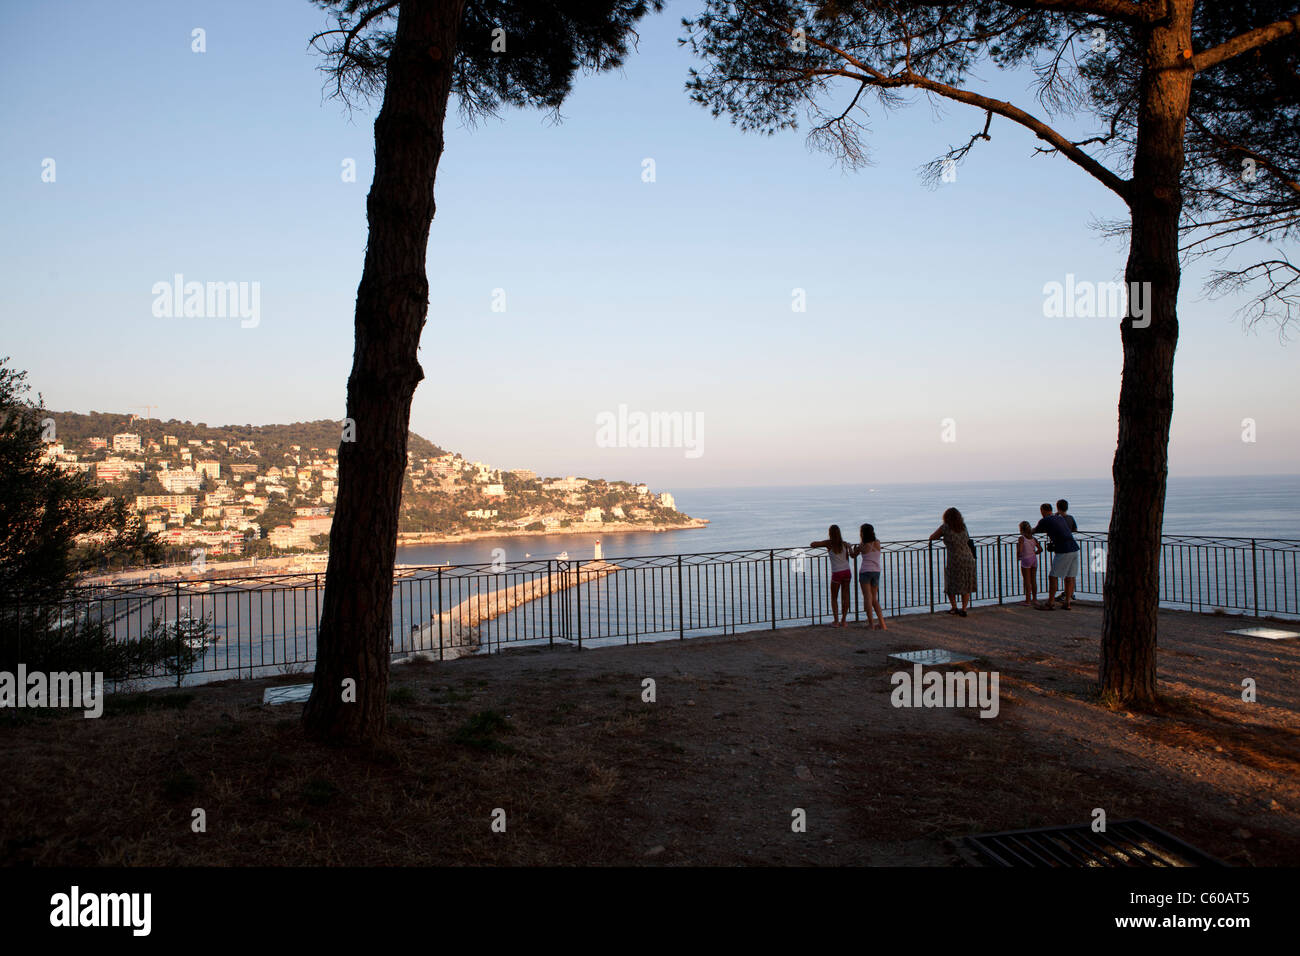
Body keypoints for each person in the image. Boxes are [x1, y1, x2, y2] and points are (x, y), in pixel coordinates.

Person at [928, 507, 975, 617]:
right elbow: (967, 538)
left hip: (955, 559)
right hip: (968, 557)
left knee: (950, 583)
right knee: (966, 583)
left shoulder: (945, 527)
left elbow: (932, 537)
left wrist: (944, 538)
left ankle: (954, 607)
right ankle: (964, 609)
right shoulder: (963, 526)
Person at [1033, 498, 1079, 610]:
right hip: (1074, 548)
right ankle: (1067, 603)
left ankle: (1050, 603)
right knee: (1070, 577)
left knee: (1053, 576)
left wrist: (1025, 531)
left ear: (1042, 510)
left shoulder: (1045, 520)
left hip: (1063, 550)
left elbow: (1035, 530)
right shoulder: (1059, 518)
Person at [810, 524, 853, 627]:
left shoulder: (829, 543)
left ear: (830, 533)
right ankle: (844, 621)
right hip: (847, 571)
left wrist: (824, 542)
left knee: (834, 597)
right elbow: (847, 558)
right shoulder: (844, 544)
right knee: (846, 596)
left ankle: (836, 621)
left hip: (837, 573)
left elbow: (812, 544)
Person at [851, 523, 886, 630]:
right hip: (876, 572)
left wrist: (850, 548)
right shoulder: (878, 543)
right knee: (874, 599)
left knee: (867, 598)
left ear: (862, 533)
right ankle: (882, 624)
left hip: (865, 572)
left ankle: (871, 624)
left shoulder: (862, 545)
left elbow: (853, 556)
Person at [1017, 520, 1042, 606]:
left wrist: (1018, 557)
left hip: (1026, 560)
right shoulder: (1033, 538)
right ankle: (1035, 599)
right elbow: (1040, 549)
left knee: (1027, 581)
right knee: (1033, 580)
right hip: (1034, 559)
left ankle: (1027, 601)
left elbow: (1020, 550)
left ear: (1021, 529)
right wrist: (1035, 553)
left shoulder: (1021, 538)